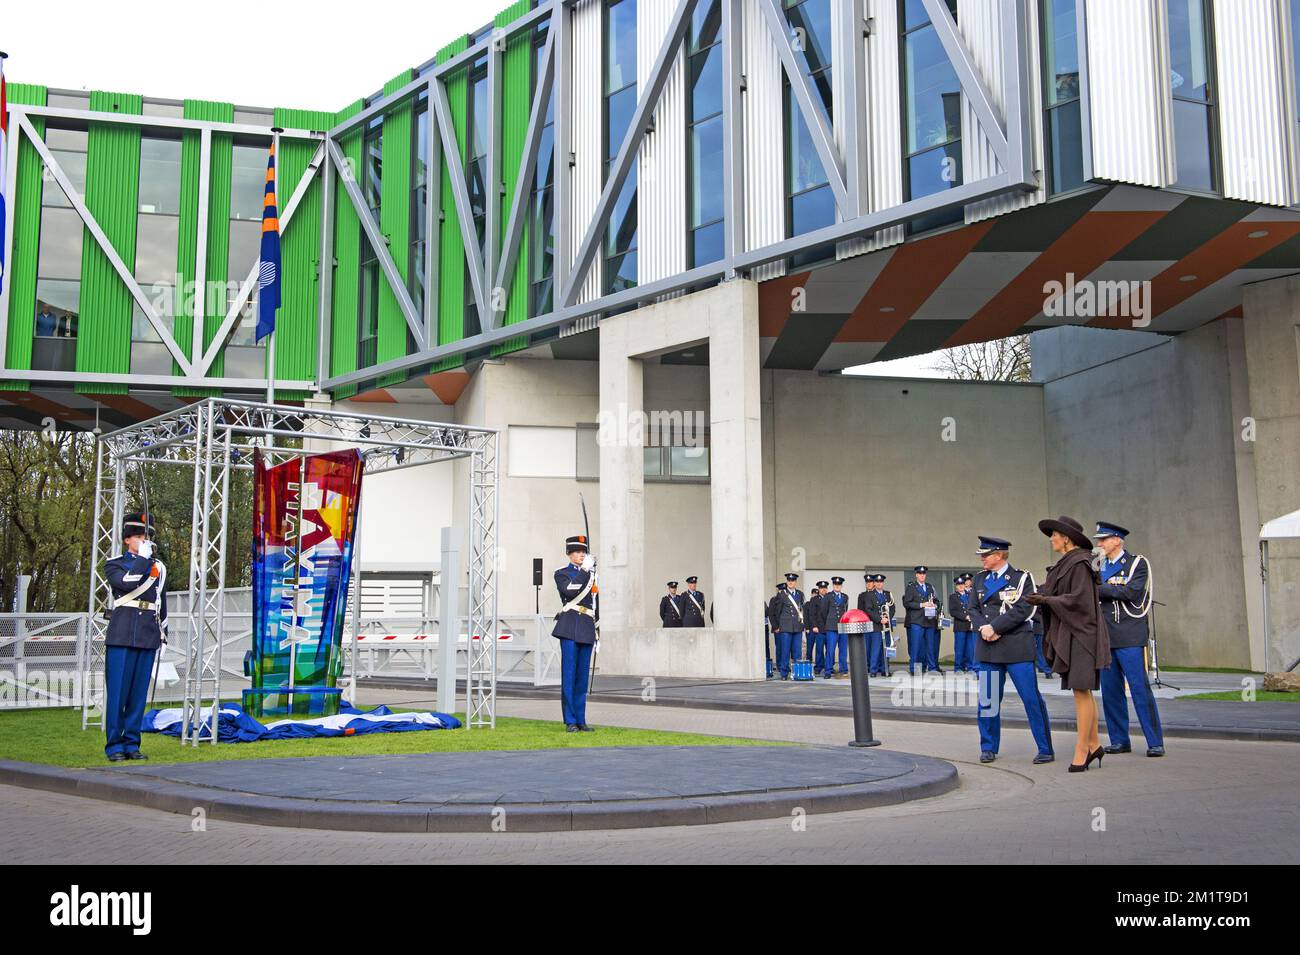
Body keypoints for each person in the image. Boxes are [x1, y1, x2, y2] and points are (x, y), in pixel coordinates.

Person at [1026, 516, 1109, 772]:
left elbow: (1079, 601)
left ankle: (1082, 749)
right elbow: (1060, 592)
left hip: (1082, 633)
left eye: (1054, 535)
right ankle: (1094, 744)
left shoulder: (1080, 563)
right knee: (1083, 691)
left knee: (1082, 691)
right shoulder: (1070, 562)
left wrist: (1047, 601)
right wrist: (1039, 595)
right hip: (1074, 632)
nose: (1051, 538)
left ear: (1066, 538)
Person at [968, 535, 1055, 765]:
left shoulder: (1021, 578)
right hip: (988, 647)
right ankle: (988, 746)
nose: (982, 559)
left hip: (1016, 647)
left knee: (1031, 698)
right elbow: (973, 609)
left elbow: (1024, 609)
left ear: (999, 555)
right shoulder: (978, 580)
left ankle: (1045, 747)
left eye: (985, 555)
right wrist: (985, 628)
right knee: (987, 701)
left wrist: (996, 627)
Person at [1094, 521, 1165, 757]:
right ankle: (1119, 739)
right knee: (1111, 691)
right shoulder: (1097, 565)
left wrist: (1099, 590)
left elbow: (1131, 592)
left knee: (1139, 689)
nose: (1099, 544)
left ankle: (1155, 741)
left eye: (1103, 540)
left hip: (1130, 634)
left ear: (1117, 540)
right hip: (1105, 635)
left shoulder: (1137, 563)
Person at [102, 511, 168, 761]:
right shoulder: (115, 563)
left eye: (145, 536)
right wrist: (142, 560)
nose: (144, 540)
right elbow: (127, 584)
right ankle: (114, 746)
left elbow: (162, 601)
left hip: (147, 634)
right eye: (139, 536)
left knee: (138, 695)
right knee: (118, 693)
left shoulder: (158, 567)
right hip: (121, 635)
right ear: (128, 540)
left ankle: (132, 743)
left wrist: (164, 633)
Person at [552, 534, 597, 732]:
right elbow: (570, 592)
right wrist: (585, 570)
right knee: (569, 675)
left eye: (583, 552)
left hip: (586, 626)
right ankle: (570, 720)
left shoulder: (592, 575)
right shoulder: (562, 573)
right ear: (569, 554)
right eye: (577, 552)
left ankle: (581, 719)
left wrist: (598, 631)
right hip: (570, 626)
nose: (581, 555)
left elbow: (595, 603)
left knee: (582, 678)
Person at [903, 566, 942, 674]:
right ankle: (914, 669)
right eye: (920, 574)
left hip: (929, 620)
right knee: (916, 647)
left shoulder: (929, 587)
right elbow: (907, 603)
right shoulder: (911, 587)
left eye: (924, 574)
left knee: (930, 646)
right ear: (916, 575)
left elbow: (936, 601)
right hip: (917, 621)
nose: (922, 575)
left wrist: (934, 605)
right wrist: (922, 604)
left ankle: (932, 668)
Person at [772, 573, 804, 679]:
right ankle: (784, 673)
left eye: (793, 581)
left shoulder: (800, 594)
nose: (791, 582)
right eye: (789, 581)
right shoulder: (782, 594)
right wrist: (777, 626)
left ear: (795, 582)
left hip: (797, 627)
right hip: (785, 627)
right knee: (785, 651)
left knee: (797, 652)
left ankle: (797, 673)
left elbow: (801, 610)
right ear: (787, 582)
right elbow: (777, 612)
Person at [821, 577, 850, 679]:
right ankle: (828, 671)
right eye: (835, 584)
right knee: (830, 650)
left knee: (843, 650)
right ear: (833, 586)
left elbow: (845, 610)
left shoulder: (845, 597)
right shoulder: (828, 596)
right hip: (832, 627)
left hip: (842, 627)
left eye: (839, 584)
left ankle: (844, 669)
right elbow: (824, 612)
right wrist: (828, 623)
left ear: (841, 586)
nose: (837, 586)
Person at [949, 573, 976, 673]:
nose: (961, 586)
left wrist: (973, 616)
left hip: (970, 626)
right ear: (956, 586)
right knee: (959, 648)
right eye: (958, 585)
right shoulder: (953, 597)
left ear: (965, 585)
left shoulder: (971, 595)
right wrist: (965, 616)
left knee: (970, 648)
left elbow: (974, 608)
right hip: (960, 625)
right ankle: (958, 667)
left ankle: (970, 667)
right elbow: (953, 611)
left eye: (962, 584)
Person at [804, 581, 826, 674]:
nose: (823, 589)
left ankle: (827, 666)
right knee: (818, 648)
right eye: (821, 588)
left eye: (824, 588)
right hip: (817, 628)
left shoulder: (829, 598)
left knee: (829, 649)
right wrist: (812, 626)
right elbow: (810, 615)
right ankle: (817, 667)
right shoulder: (814, 600)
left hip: (828, 627)